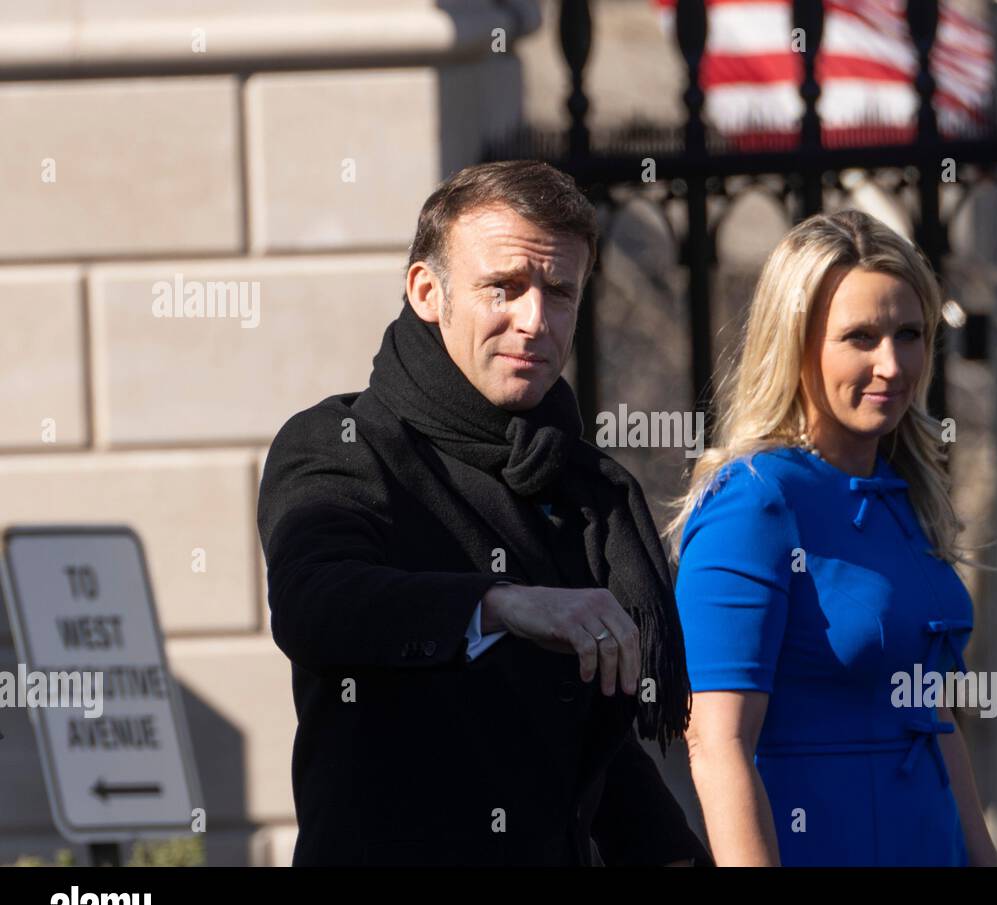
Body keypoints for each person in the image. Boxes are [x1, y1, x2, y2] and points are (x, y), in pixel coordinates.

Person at [258, 159, 709, 866]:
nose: (534, 319)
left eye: (559, 291)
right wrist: (500, 606)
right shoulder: (344, 442)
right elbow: (315, 605)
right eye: (504, 286)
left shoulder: (584, 484)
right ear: (427, 292)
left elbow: (592, 751)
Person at [668, 209, 997, 866]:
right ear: (795, 343)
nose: (892, 363)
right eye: (860, 337)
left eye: (911, 334)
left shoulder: (907, 496)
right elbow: (716, 743)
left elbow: (931, 721)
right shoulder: (754, 500)